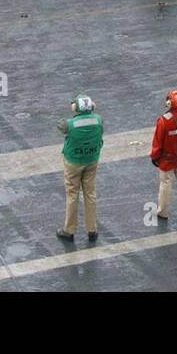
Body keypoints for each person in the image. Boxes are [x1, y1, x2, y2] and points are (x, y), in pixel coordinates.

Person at [57, 93, 103, 243]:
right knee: (90, 194)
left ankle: (69, 230)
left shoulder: (69, 124)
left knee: (72, 194)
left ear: (76, 107)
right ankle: (92, 230)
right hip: (91, 160)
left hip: (73, 162)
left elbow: (60, 125)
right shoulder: (98, 120)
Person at [150, 89, 177, 220]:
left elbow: (157, 142)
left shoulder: (163, 121)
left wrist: (154, 157)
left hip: (167, 159)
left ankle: (163, 211)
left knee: (165, 184)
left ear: (169, 103)